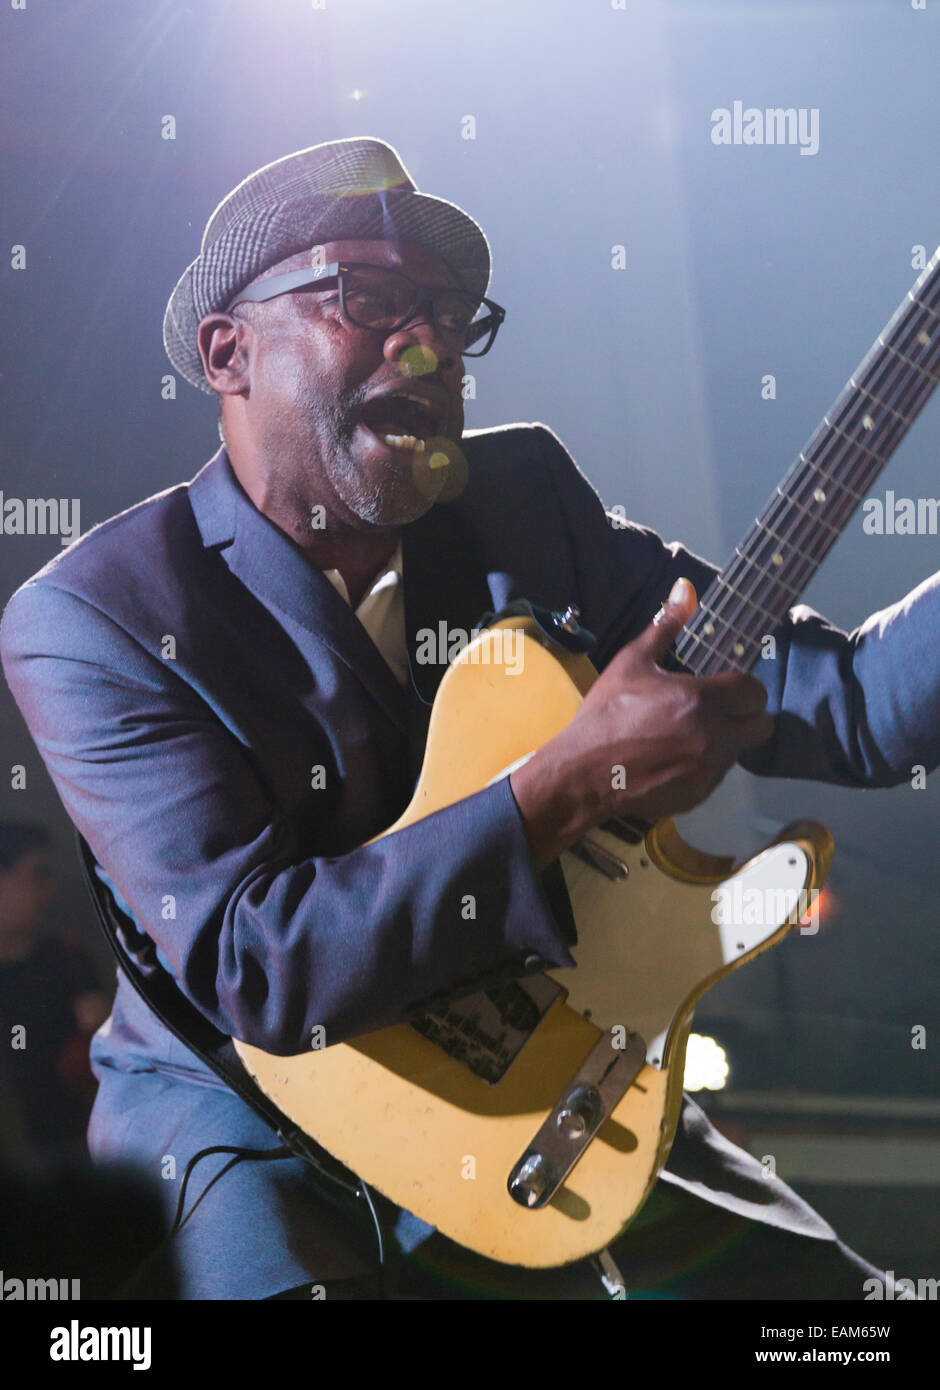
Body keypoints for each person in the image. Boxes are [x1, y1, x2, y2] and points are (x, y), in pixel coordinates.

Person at [1, 137, 936, 1300]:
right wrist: (566, 783)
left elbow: (845, 705)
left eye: (449, 313)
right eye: (371, 299)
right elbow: (262, 964)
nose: (431, 343)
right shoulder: (99, 616)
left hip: (542, 1072)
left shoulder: (524, 499)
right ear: (226, 350)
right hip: (257, 1122)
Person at [0, 821, 110, 1172]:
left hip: (75, 1151)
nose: (48, 888)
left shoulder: (67, 959)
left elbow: (98, 1050)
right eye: (37, 874)